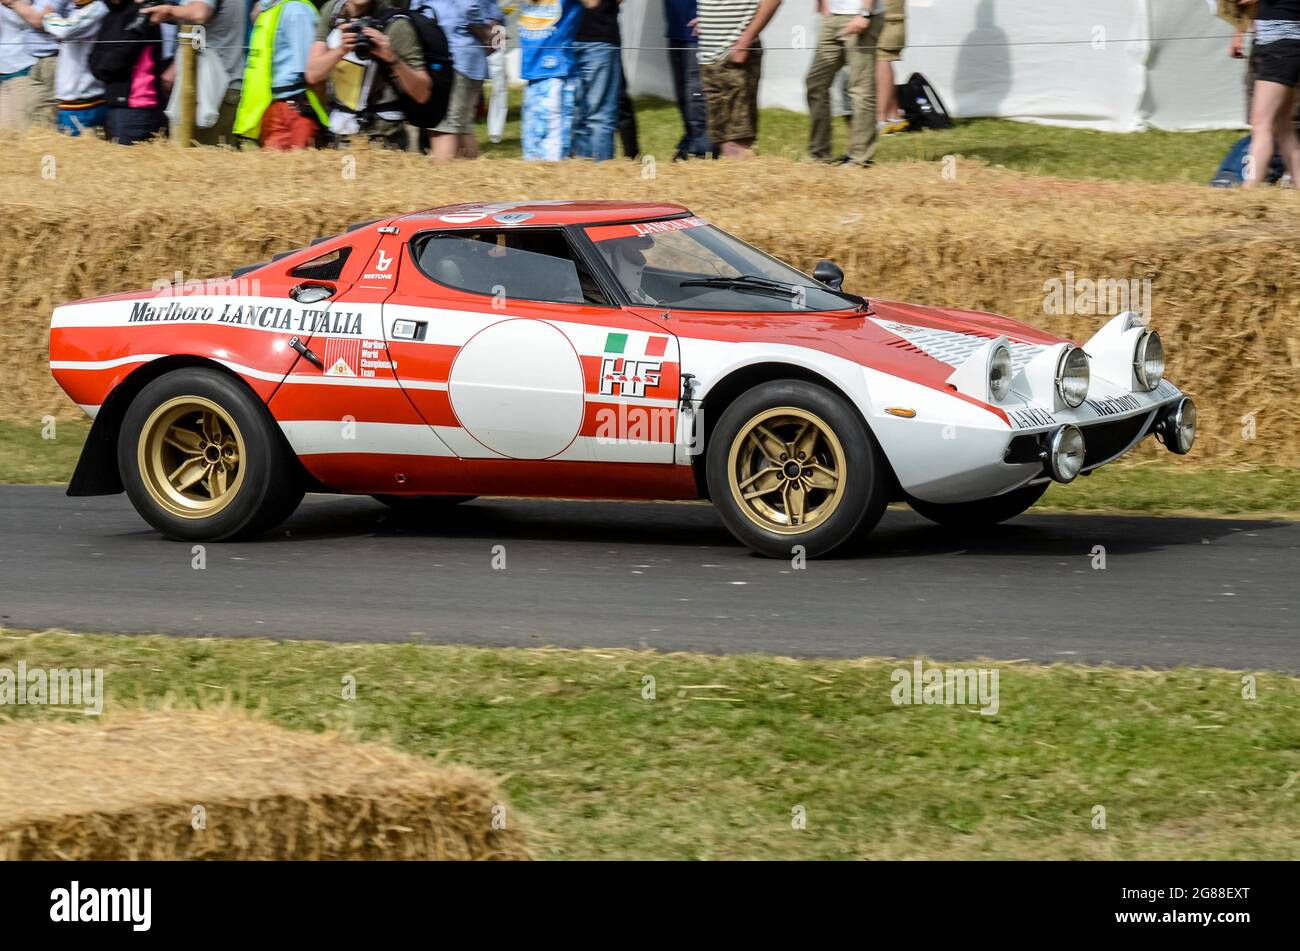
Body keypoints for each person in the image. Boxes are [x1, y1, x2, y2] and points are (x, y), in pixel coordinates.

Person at [306, 0, 431, 150]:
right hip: (341, 131)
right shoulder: (333, 11)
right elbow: (312, 75)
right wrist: (340, 50)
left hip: (384, 138)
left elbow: (422, 94)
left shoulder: (396, 24)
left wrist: (391, 57)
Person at [144, 0, 248, 146]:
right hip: (224, 88)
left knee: (193, 162)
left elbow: (200, 13)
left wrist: (169, 10)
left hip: (210, 93)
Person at [5, 0, 109, 136]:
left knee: (77, 147)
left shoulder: (97, 8)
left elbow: (66, 29)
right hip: (72, 99)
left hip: (84, 99)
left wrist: (48, 17)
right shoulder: (80, 9)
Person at [234, 0, 326, 149]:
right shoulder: (270, 10)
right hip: (273, 108)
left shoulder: (296, 10)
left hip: (295, 108)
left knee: (299, 167)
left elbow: (310, 71)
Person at [696, 0, 781, 159]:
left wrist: (745, 41)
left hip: (734, 57)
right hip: (711, 59)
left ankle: (748, 183)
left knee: (736, 142)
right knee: (724, 138)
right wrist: (709, 20)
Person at [413, 0, 494, 161]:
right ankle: (468, 181)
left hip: (451, 59)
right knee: (463, 127)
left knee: (443, 128)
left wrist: (483, 33)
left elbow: (468, 5)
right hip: (469, 60)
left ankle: (443, 184)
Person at [517, 0, 598, 161]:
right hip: (533, 74)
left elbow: (592, 3)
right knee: (531, 150)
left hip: (556, 74)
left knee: (553, 153)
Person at [805, 0, 882, 167]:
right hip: (833, 17)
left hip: (860, 15)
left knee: (860, 87)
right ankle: (818, 155)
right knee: (815, 83)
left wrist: (864, 13)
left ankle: (861, 159)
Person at [90, 0, 173, 144]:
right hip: (119, 108)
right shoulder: (111, 15)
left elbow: (115, 61)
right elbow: (98, 66)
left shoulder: (145, 11)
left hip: (139, 108)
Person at [1241, 0, 1300, 186]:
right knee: (1283, 128)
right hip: (1279, 41)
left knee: (1261, 125)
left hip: (1281, 43)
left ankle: (1248, 192)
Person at [571, 0, 620, 160]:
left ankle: (601, 179)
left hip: (597, 40)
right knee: (578, 117)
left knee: (597, 118)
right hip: (566, 40)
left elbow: (592, 2)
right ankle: (587, 180)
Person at [663, 0, 712, 159]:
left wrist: (711, 18)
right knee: (683, 96)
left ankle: (701, 150)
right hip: (676, 30)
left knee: (695, 96)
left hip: (700, 34)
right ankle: (692, 141)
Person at [22, 0, 61, 126]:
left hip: (52, 58)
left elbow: (38, 20)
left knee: (47, 114)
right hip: (33, 59)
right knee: (30, 111)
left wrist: (15, 3)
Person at [0, 1, 36, 130]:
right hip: (3, 72)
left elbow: (36, 20)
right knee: (5, 133)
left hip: (22, 70)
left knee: (23, 128)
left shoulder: (24, 3)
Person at [875, 0, 904, 133]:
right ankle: (894, 116)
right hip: (888, 9)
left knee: (881, 56)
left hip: (886, 9)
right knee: (883, 57)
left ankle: (881, 120)